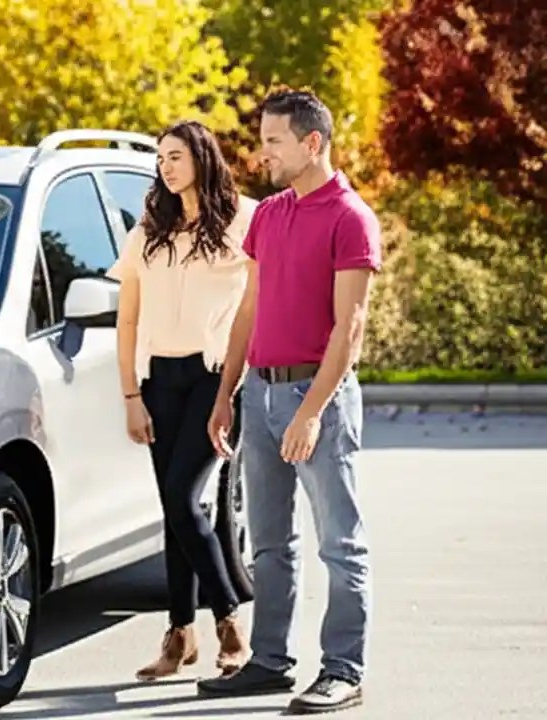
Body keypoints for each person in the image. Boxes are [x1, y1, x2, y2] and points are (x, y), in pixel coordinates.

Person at [197, 89, 380, 715]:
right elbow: (249, 307)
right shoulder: (269, 215)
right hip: (261, 393)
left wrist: (310, 412)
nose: (261, 152)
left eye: (273, 141)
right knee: (269, 544)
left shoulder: (351, 218)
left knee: (340, 543)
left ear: (312, 143)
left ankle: (343, 671)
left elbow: (348, 328)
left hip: (315, 397)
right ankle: (270, 661)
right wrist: (226, 393)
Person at [109, 119, 255, 681]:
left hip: (211, 378)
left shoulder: (245, 220)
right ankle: (179, 636)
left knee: (181, 496)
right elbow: (126, 318)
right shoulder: (148, 230)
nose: (166, 166)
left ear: (202, 157)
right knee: (176, 510)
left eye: (175, 156)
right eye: (160, 158)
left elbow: (256, 303)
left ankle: (228, 621)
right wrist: (129, 395)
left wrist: (232, 387)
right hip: (157, 383)